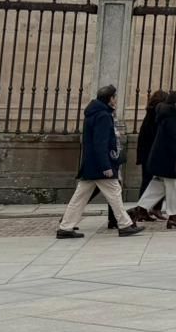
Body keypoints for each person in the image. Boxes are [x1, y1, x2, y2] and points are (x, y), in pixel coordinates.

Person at [55, 85, 143, 239]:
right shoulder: (103, 115)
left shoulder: (94, 113)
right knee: (114, 193)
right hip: (100, 165)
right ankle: (125, 225)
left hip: (92, 164)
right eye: (114, 97)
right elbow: (100, 143)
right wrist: (106, 166)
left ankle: (65, 227)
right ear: (110, 99)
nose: (116, 100)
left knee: (80, 196)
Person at [134, 90, 176, 228]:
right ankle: (174, 217)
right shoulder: (170, 116)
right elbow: (172, 139)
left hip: (162, 159)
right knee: (174, 187)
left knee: (157, 187)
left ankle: (139, 210)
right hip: (170, 160)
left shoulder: (166, 114)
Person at [125, 90, 167, 223]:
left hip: (148, 154)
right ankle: (142, 210)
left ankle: (150, 209)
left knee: (154, 182)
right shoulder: (155, 115)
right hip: (151, 155)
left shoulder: (152, 113)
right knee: (150, 182)